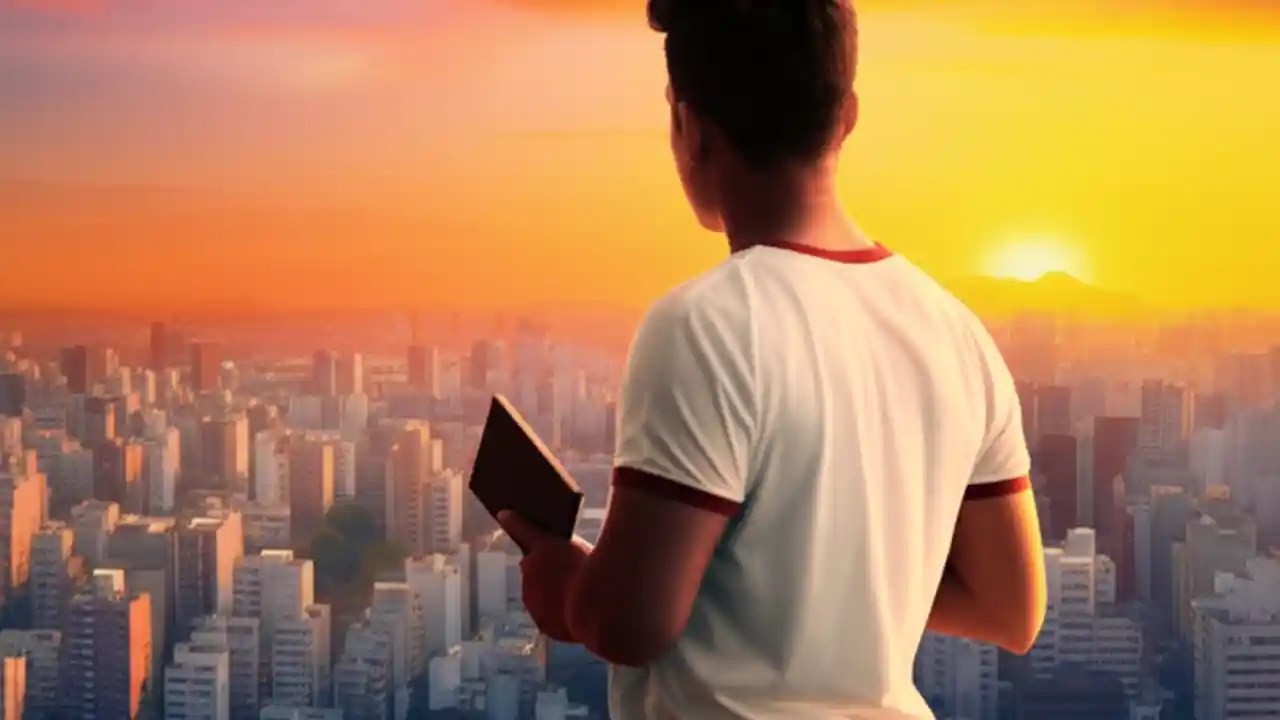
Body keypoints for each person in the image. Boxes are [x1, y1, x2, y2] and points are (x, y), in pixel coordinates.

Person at [495, 1, 1047, 718]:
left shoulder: (705, 325)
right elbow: (1013, 609)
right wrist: (812, 578)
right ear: (846, 117)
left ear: (688, 129)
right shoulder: (957, 335)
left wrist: (564, 586)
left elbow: (630, 623)